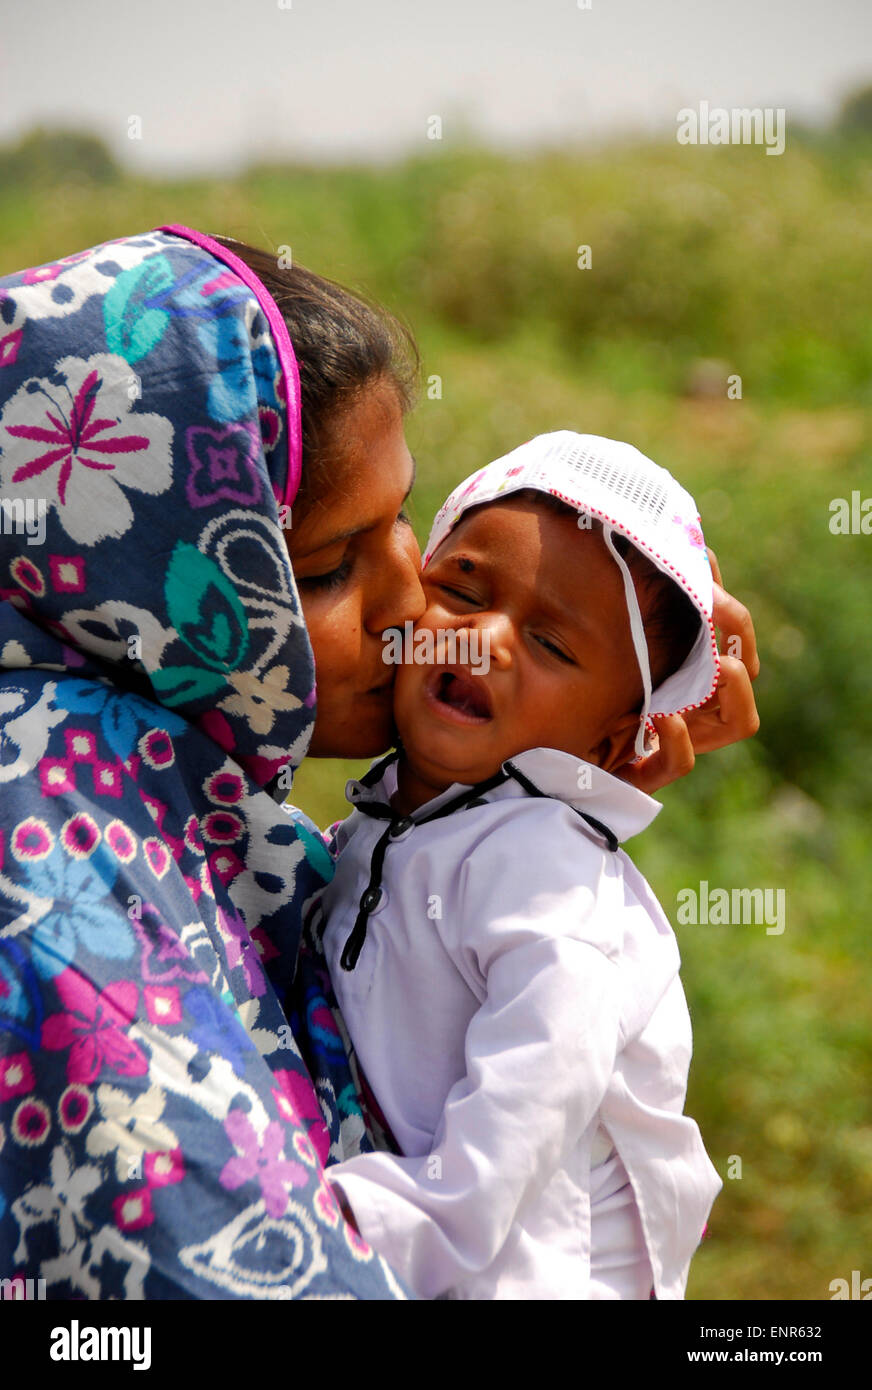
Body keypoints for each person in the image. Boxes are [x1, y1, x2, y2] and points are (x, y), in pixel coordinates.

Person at [0, 225, 758, 1299]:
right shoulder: (54, 854)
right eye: (323, 566)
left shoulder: (176, 779)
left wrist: (560, 773)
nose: (414, 606)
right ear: (151, 571)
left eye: (401, 518)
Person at [318, 433, 738, 1300]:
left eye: (551, 645)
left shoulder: (542, 862)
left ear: (610, 744)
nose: (485, 639)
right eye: (462, 591)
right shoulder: (394, 820)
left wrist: (393, 1222)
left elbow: (540, 1081)